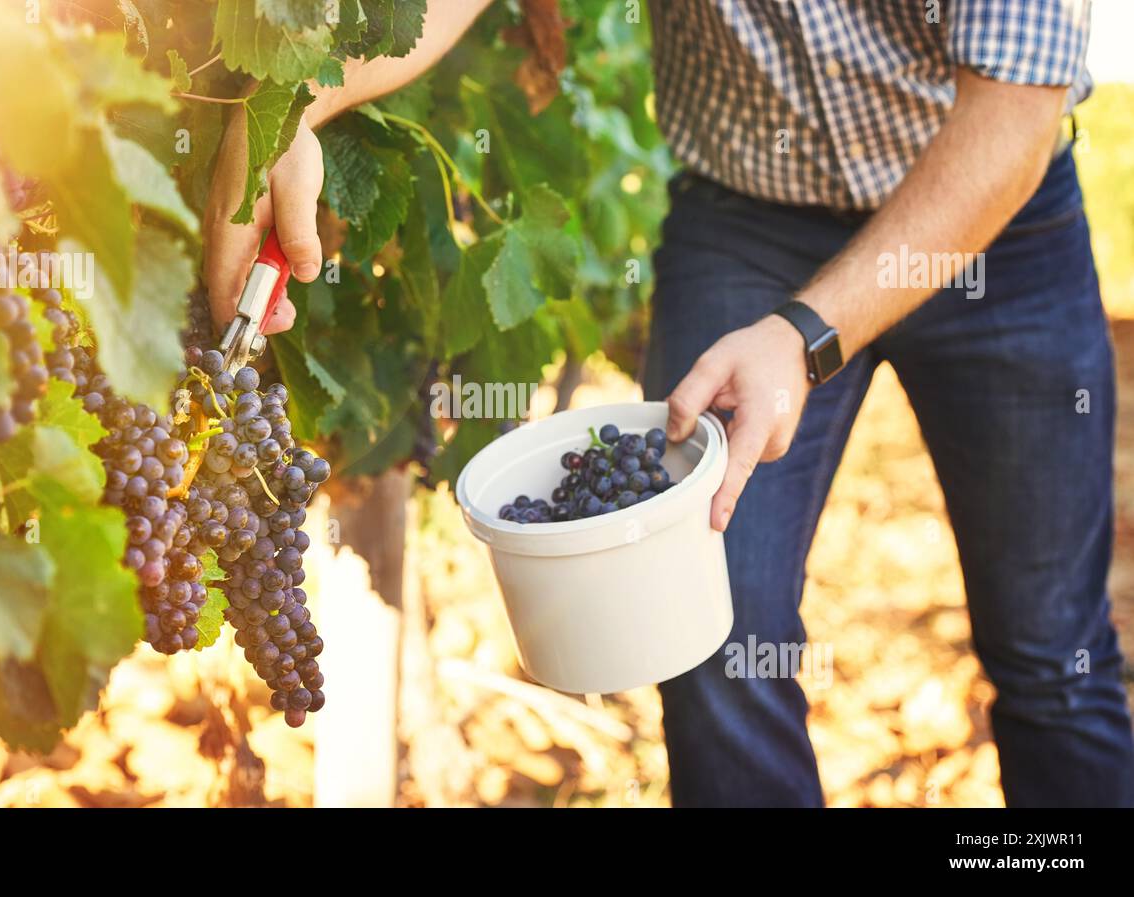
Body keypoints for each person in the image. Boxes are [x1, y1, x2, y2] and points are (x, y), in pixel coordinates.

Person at [204, 0, 1134, 808]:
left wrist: (805, 335)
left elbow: (1013, 117)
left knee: (1052, 653)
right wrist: (290, 107)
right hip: (747, 217)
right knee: (714, 639)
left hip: (987, 213)